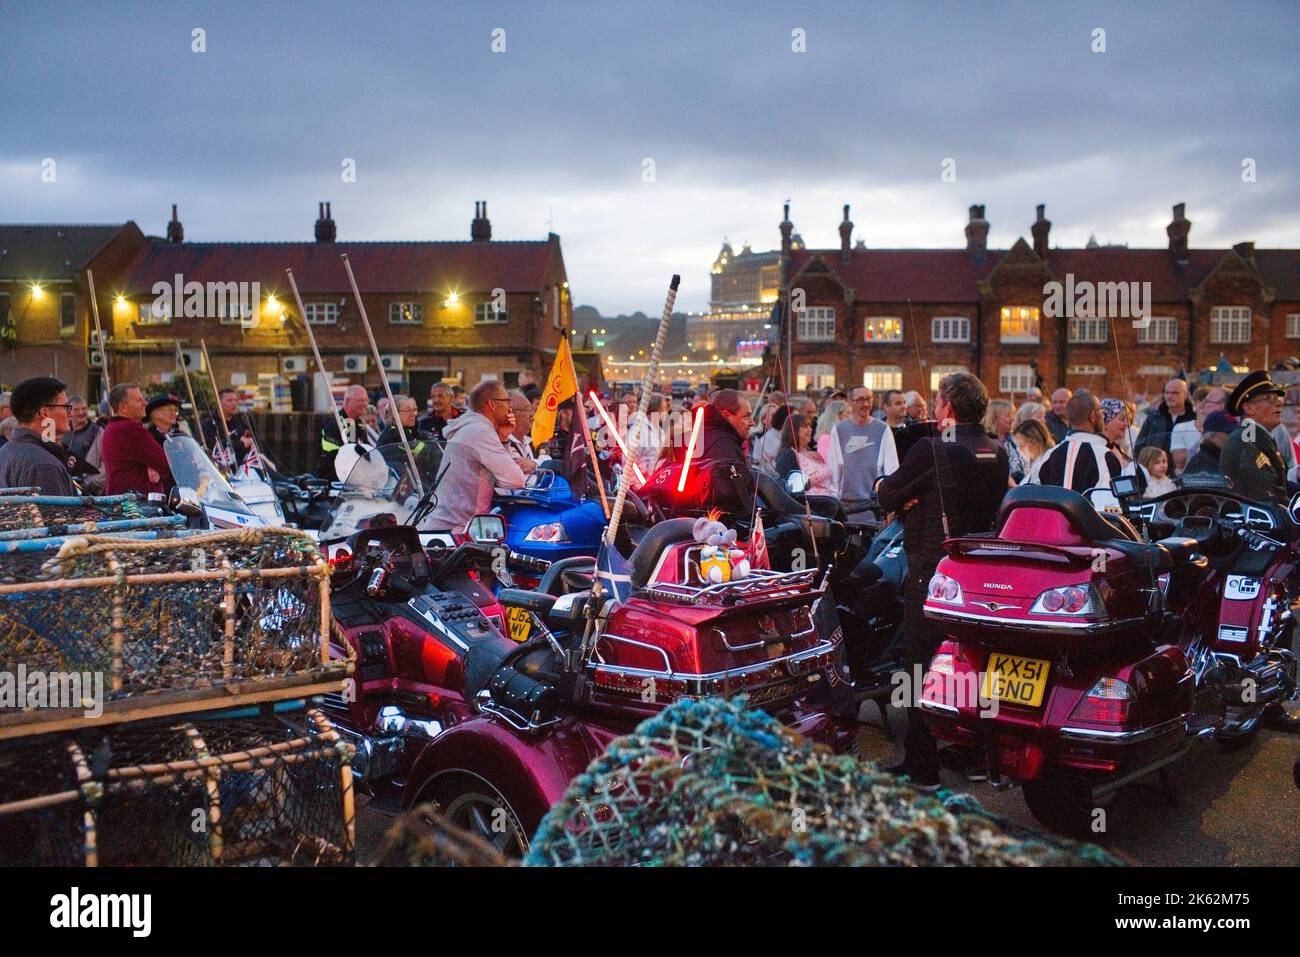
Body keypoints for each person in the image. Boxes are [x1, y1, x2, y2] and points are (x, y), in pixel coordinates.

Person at [877, 372, 1009, 790]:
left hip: (934, 571)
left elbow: (885, 494)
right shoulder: (996, 450)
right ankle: (974, 755)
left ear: (948, 407)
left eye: (937, 400)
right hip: (981, 572)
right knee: (972, 663)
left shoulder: (932, 448)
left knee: (920, 667)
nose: (934, 407)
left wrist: (902, 495)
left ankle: (923, 768)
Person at [423, 381, 532, 531]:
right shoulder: (480, 432)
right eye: (507, 401)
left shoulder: (472, 426)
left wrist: (504, 438)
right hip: (455, 529)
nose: (510, 407)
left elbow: (503, 478)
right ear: (492, 405)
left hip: (451, 525)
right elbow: (514, 480)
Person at [1030, 390, 1122, 494]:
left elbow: (1031, 492)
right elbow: (1109, 502)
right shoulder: (1105, 456)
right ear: (1093, 416)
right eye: (1101, 411)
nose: (1103, 416)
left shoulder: (1048, 455)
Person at [1220, 371, 1289, 505]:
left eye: (1278, 399)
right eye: (1270, 399)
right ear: (1249, 408)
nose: (1279, 404)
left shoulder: (1256, 436)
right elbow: (1264, 493)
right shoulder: (1248, 439)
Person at [0, 377, 76, 495]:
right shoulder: (45, 467)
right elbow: (55, 513)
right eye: (66, 407)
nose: (71, 414)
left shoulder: (5, 452)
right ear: (44, 413)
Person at [826, 386, 898, 501]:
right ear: (850, 402)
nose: (865, 404)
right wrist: (833, 501)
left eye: (868, 399)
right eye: (860, 400)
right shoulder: (839, 429)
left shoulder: (883, 429)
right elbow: (834, 469)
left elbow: (892, 469)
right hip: (845, 505)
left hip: (874, 505)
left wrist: (889, 501)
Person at [695, 389, 757, 522]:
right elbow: (738, 505)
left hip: (688, 523)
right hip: (719, 530)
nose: (752, 423)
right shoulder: (725, 447)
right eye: (746, 416)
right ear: (725, 415)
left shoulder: (696, 436)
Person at [101, 382, 173, 495]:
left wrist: (152, 465)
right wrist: (156, 466)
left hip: (120, 502)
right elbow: (165, 463)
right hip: (137, 507)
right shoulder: (131, 429)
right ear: (123, 407)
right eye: (139, 400)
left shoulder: (111, 428)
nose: (145, 403)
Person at [315, 384, 370, 480]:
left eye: (366, 400)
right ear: (348, 401)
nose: (365, 404)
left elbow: (366, 449)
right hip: (334, 479)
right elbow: (335, 455)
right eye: (360, 400)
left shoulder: (358, 423)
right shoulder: (336, 424)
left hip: (354, 477)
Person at [1170, 386, 1226, 475]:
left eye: (1209, 404)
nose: (1204, 408)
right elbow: (1179, 462)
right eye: (1201, 404)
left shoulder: (1222, 429)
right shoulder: (1181, 428)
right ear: (1194, 405)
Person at [1134, 377, 1194, 456]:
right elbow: (1139, 447)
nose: (1169, 396)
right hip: (1155, 466)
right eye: (1167, 392)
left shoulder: (1193, 419)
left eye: (1175, 393)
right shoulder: (1153, 419)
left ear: (1185, 395)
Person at [775, 413, 832, 494]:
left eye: (810, 426)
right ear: (793, 429)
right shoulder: (788, 455)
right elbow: (792, 488)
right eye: (805, 426)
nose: (810, 429)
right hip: (814, 502)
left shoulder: (814, 454)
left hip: (832, 497)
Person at [200, 388, 254, 466]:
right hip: (221, 466)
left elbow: (249, 443)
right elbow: (216, 446)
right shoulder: (208, 423)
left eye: (235, 400)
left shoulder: (240, 421)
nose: (234, 403)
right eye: (229, 400)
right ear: (219, 403)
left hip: (244, 463)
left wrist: (242, 443)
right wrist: (240, 444)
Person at [1183, 411, 1235, 479]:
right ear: (1212, 437)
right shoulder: (1202, 464)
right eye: (1230, 433)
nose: (1235, 437)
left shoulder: (1223, 459)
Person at [983, 399, 1024, 484]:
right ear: (994, 418)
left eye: (1013, 415)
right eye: (1008, 416)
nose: (1012, 419)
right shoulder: (985, 441)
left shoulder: (1013, 441)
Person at [1012, 419, 1054, 485]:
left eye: (1022, 445)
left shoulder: (1046, 463)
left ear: (1037, 441)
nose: (1019, 449)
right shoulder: (1034, 463)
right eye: (1017, 446)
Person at [59, 395, 101, 462]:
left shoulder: (97, 432)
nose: (81, 413)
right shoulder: (62, 432)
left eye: (84, 408)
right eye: (76, 410)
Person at [505, 389, 537, 464]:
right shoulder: (502, 443)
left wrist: (534, 464)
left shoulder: (528, 441)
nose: (532, 414)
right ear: (510, 413)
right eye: (527, 409)